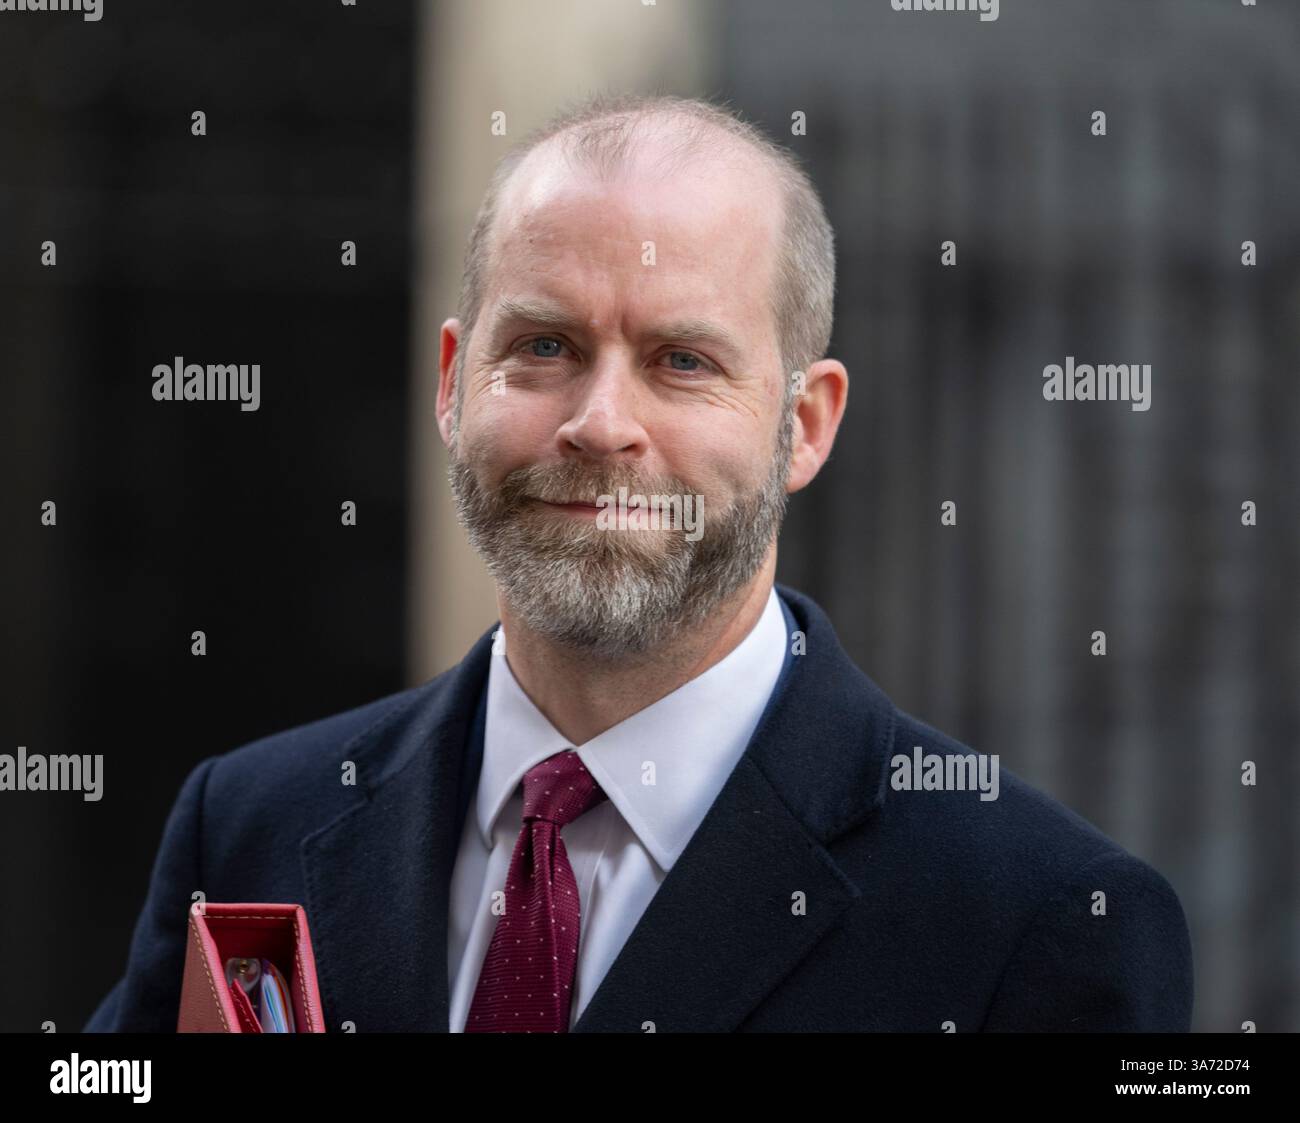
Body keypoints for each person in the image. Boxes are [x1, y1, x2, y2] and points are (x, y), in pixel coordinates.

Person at [84, 92, 1192, 1033]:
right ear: (453, 383)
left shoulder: (1036, 924)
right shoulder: (250, 823)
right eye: (545, 347)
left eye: (681, 360)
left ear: (805, 424)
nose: (601, 423)